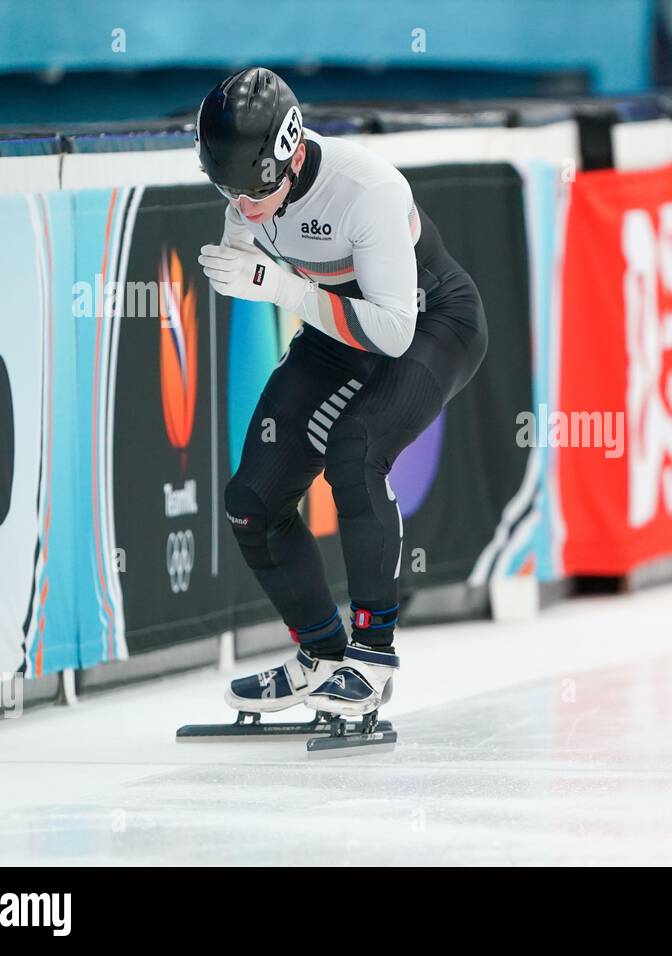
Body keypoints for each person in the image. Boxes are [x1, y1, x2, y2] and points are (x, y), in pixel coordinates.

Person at [194, 68, 487, 721]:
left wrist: (281, 288)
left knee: (355, 453)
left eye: (255, 192)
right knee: (251, 501)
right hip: (337, 327)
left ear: (294, 158)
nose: (244, 205)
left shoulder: (367, 191)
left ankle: (374, 659)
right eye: (228, 190)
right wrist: (236, 251)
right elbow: (244, 225)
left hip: (427, 324)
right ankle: (322, 655)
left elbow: (390, 332)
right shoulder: (251, 187)